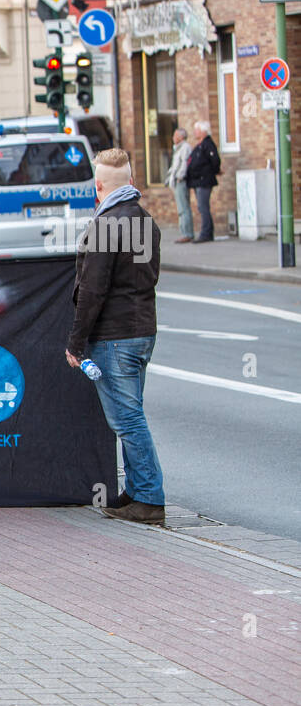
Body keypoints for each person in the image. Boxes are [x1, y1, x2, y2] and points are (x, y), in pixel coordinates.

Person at [65, 147, 164, 525]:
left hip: (114, 337)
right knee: (130, 413)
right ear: (132, 182)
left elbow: (92, 291)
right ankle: (136, 492)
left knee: (127, 420)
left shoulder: (105, 226)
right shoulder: (146, 222)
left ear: (99, 186)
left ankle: (150, 499)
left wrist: (76, 342)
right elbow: (146, 279)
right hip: (142, 332)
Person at [185, 120, 220, 244]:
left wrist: (212, 172)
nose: (195, 132)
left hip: (203, 181)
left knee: (203, 207)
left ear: (203, 131)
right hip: (197, 181)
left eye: (197, 130)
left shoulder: (208, 145)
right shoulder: (200, 145)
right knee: (202, 207)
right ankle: (206, 232)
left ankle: (206, 233)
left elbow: (215, 161)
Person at [164, 127, 193, 244]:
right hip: (176, 181)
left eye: (175, 135)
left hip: (181, 181)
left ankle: (187, 233)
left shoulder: (185, 147)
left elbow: (185, 163)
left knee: (183, 208)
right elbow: (174, 165)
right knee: (181, 208)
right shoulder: (178, 148)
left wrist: (180, 177)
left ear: (181, 137)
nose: (173, 138)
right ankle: (184, 232)